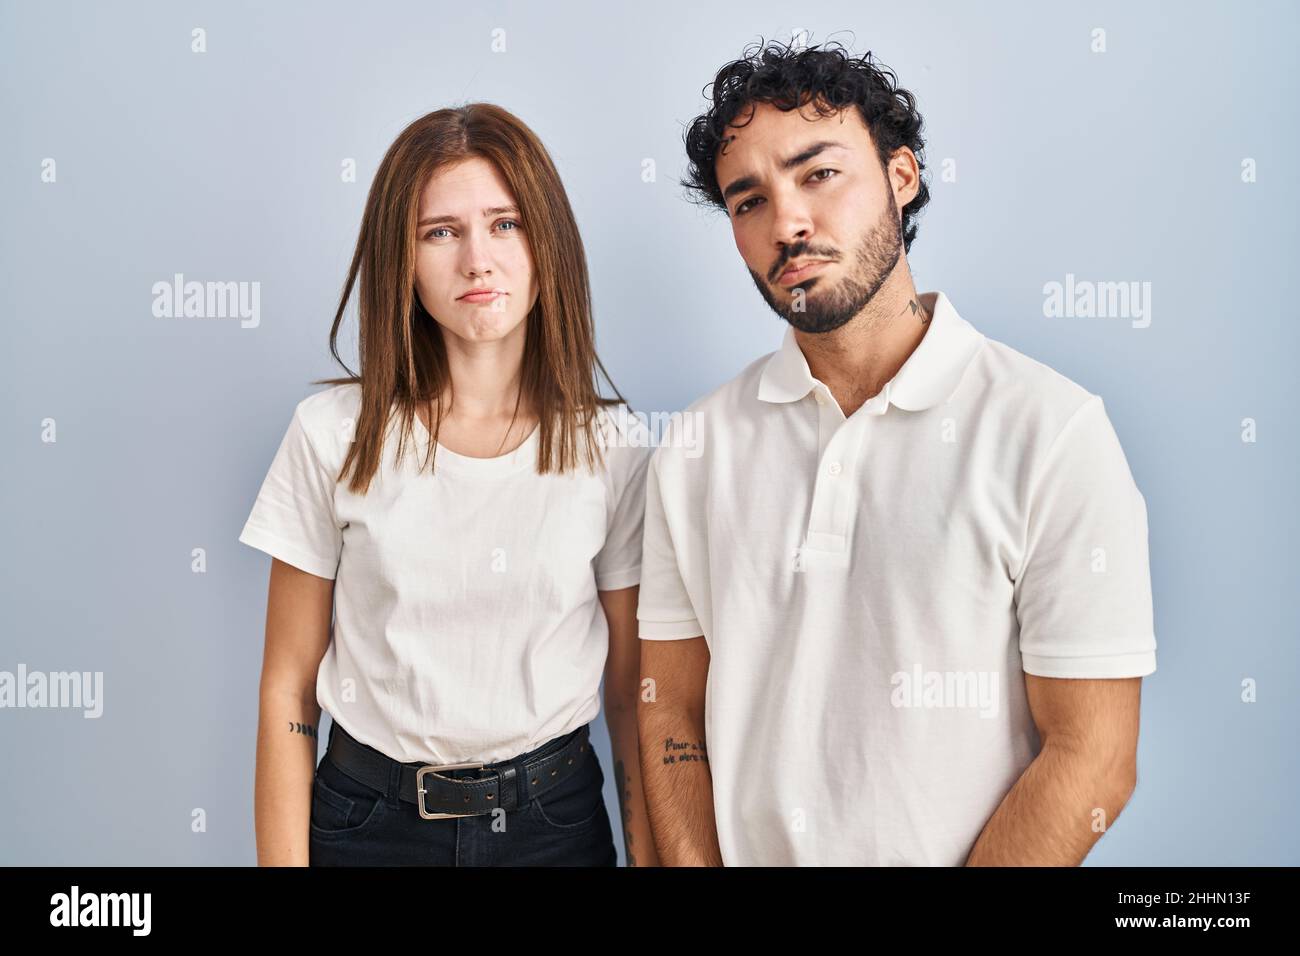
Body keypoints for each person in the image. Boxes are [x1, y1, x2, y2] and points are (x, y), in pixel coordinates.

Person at [636, 40, 1156, 866]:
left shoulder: (1050, 431)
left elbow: (1094, 759)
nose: (788, 222)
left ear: (901, 177)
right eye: (749, 201)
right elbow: (670, 714)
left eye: (819, 174)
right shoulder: (695, 447)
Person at [238, 103, 658, 866]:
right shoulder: (332, 434)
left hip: (554, 826)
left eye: (506, 224)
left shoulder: (614, 446)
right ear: (401, 258)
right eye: (441, 231)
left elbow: (633, 695)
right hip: (367, 824)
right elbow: (287, 690)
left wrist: (649, 856)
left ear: (548, 244)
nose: (477, 260)